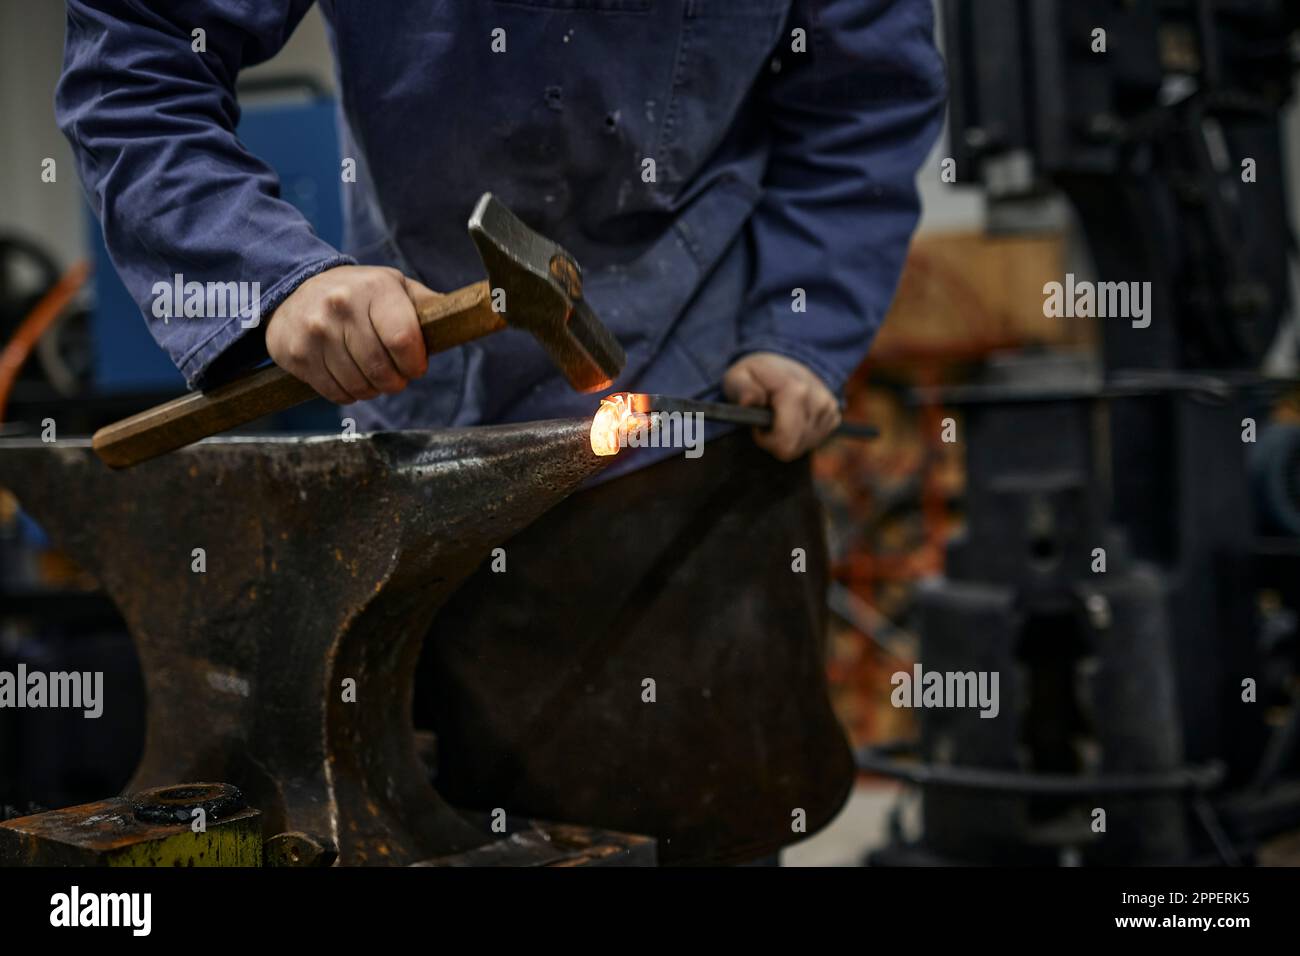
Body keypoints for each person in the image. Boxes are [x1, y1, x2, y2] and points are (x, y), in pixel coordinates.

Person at [57, 0, 945, 863]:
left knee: (707, 820)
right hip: (411, 471)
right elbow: (140, 50)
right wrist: (268, 275)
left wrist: (801, 328)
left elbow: (863, 99)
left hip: (686, 462)